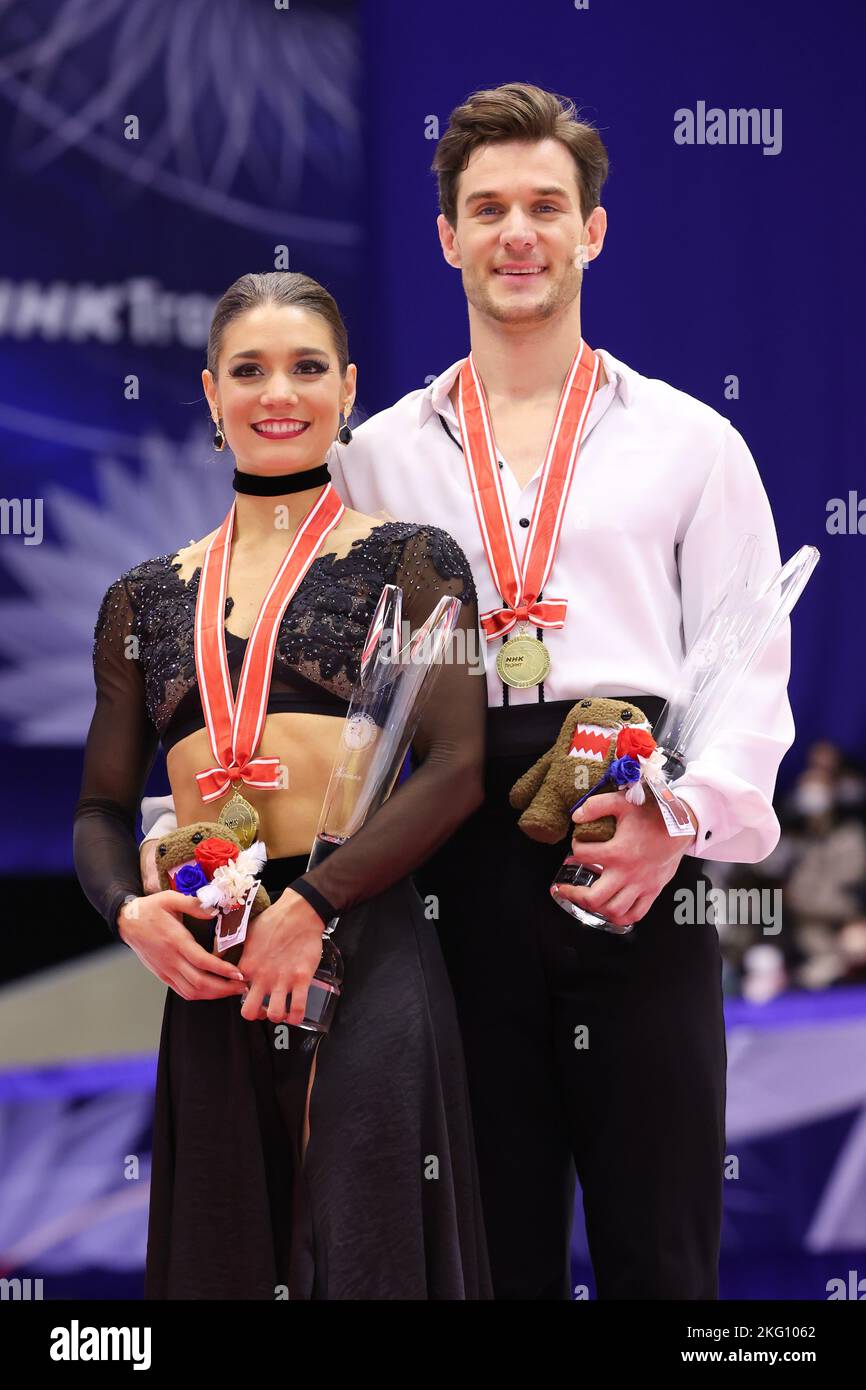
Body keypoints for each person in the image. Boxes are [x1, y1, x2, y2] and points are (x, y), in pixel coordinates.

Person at [139, 83, 797, 1300]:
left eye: (545, 205)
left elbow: (747, 673)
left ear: (591, 230)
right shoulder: (372, 452)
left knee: (666, 1255)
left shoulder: (693, 443)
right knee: (481, 1254)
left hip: (628, 847)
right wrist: (201, 842)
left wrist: (681, 824)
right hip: (441, 869)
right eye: (485, 207)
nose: (517, 233)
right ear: (445, 236)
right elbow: (283, 660)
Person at [73, 271, 493, 1300]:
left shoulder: (414, 561)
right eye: (249, 370)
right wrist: (132, 913)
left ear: (345, 389)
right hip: (211, 960)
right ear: (212, 394)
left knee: (369, 1250)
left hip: (362, 938)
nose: (278, 393)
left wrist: (311, 904)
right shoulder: (141, 597)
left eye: (306, 368)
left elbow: (455, 770)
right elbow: (98, 809)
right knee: (221, 1253)